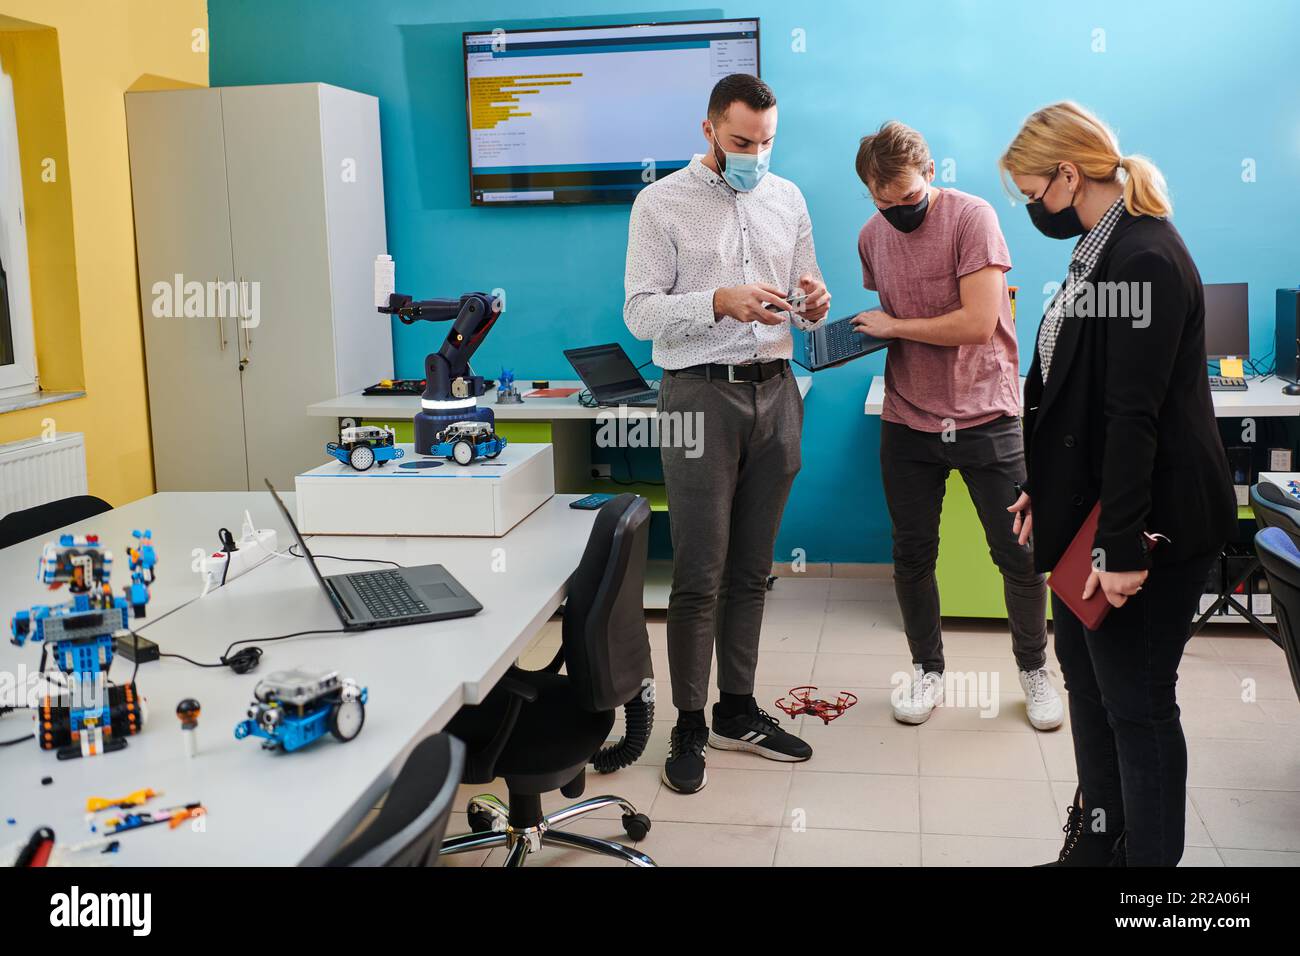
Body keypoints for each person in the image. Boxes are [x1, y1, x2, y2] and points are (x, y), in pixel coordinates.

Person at [999, 102, 1235, 866]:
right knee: (1089, 687)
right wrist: (1049, 483)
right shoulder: (1100, 253)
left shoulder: (1144, 258)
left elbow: (1133, 415)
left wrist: (1123, 547)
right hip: (1094, 514)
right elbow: (1083, 397)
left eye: (1033, 192)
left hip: (1146, 524)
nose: (1032, 208)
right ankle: (1095, 850)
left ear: (1070, 175)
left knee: (1136, 703)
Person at [623, 73, 831, 794]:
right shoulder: (660, 203)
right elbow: (641, 313)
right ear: (709, 129)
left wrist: (813, 301)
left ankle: (736, 709)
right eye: (743, 141)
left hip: (777, 393)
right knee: (698, 572)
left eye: (768, 140)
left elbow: (804, 304)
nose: (757, 153)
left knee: (751, 570)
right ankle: (688, 719)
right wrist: (718, 300)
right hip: (695, 398)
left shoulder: (789, 198)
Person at [851, 121, 1061, 731]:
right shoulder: (872, 235)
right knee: (912, 555)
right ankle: (927, 670)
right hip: (908, 420)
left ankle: (1035, 670)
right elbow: (893, 311)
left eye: (908, 200)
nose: (896, 214)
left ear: (932, 175)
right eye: (883, 204)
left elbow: (975, 323)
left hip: (986, 415)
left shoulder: (974, 219)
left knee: (1020, 557)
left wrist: (892, 328)